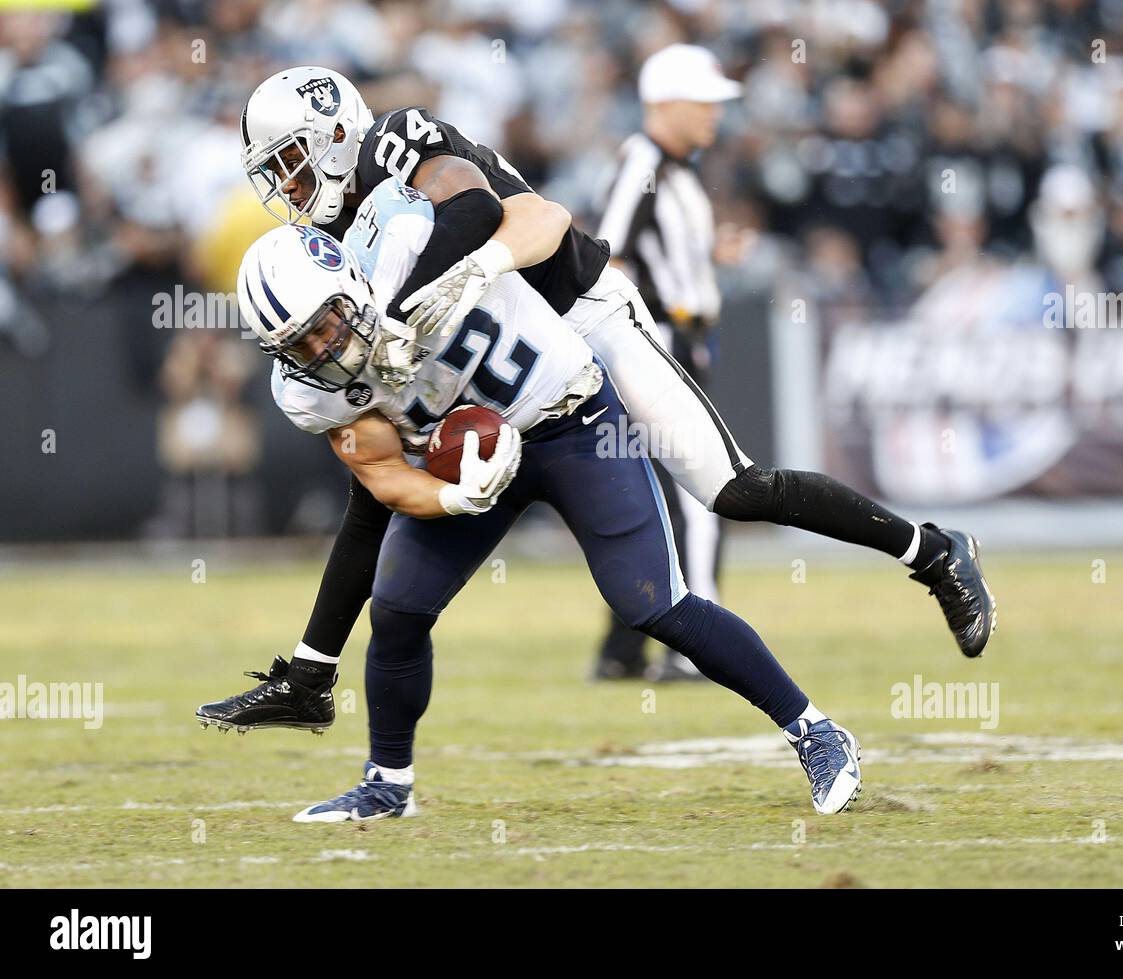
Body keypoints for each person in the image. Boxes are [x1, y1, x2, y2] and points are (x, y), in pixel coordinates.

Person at [197, 64, 995, 735]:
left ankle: (932, 551)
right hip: (491, 357)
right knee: (374, 479)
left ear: (334, 134)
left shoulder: (395, 139)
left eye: (293, 162)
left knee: (733, 487)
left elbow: (476, 210)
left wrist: (406, 307)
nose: (290, 186)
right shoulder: (328, 236)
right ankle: (311, 675)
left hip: (579, 316)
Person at [226, 196, 861, 818]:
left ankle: (814, 731)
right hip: (472, 458)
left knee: (651, 602)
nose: (323, 351)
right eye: (300, 345)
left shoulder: (408, 241)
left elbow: (540, 215)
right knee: (396, 608)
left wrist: (482, 263)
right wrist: (454, 495)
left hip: (570, 421)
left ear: (347, 287)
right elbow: (383, 474)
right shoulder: (310, 392)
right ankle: (387, 783)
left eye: (326, 325)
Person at [588, 44, 738, 682]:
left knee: (658, 493)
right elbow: (608, 254)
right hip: (664, 344)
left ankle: (624, 648)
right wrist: (639, 338)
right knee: (705, 489)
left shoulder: (675, 170)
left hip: (683, 340)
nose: (714, 115)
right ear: (665, 103)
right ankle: (694, 642)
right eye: (702, 102)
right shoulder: (645, 162)